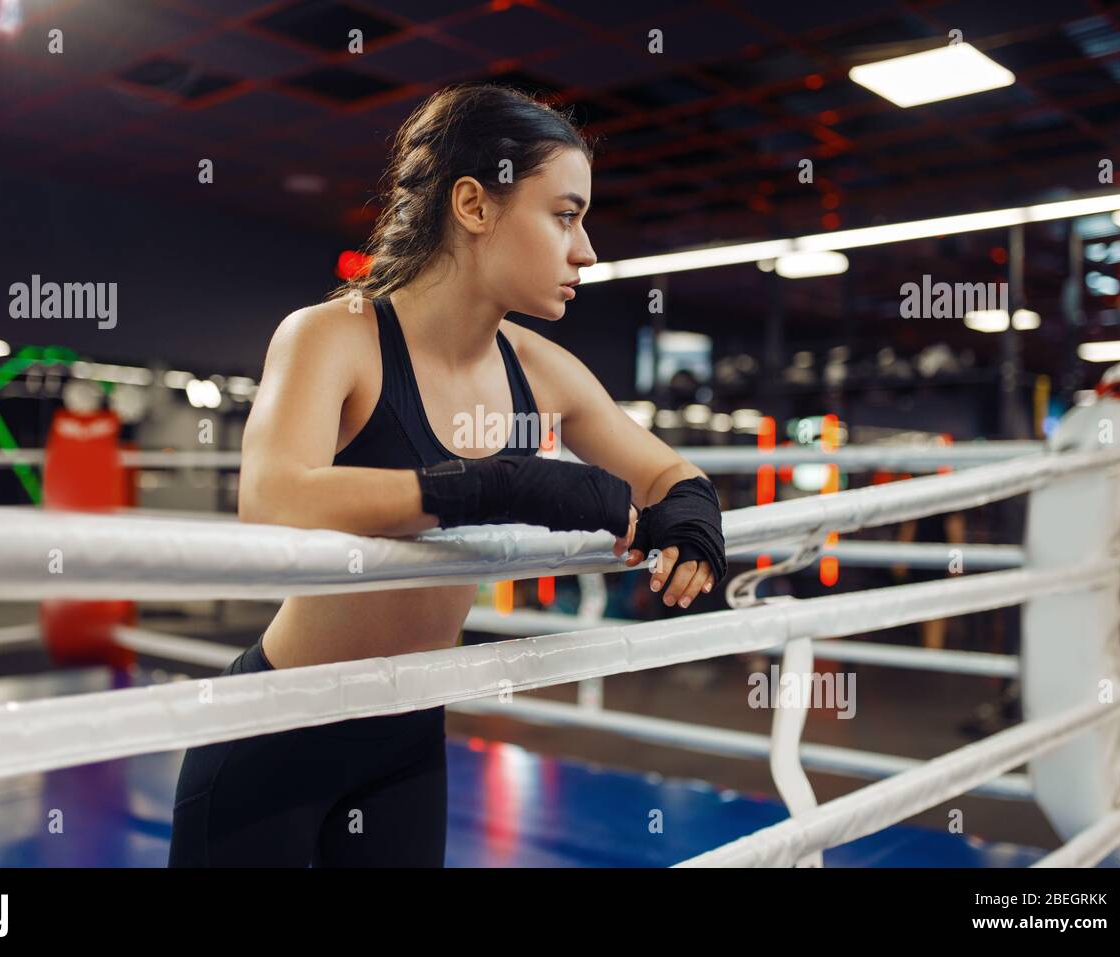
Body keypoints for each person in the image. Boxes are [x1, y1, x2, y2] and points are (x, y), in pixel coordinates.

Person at [168, 84, 727, 867]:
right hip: (274, 729)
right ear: (474, 204)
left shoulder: (541, 367)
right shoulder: (336, 337)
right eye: (565, 215)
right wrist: (498, 485)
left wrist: (694, 513)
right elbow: (271, 499)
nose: (587, 249)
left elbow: (664, 468)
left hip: (406, 739)